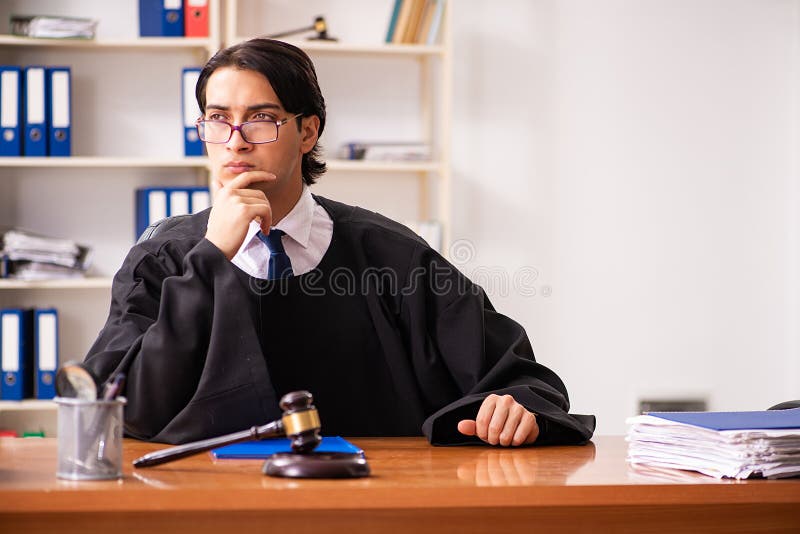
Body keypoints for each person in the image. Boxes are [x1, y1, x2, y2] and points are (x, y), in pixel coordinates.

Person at [84, 38, 595, 447]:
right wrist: (210, 259)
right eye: (217, 119)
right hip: (210, 505)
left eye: (262, 118)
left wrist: (515, 410)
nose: (236, 140)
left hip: (374, 503)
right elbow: (114, 407)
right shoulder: (165, 257)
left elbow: (523, 383)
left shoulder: (392, 256)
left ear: (308, 132)